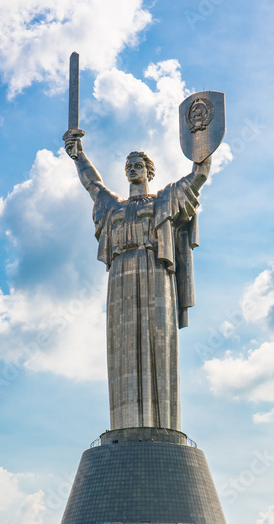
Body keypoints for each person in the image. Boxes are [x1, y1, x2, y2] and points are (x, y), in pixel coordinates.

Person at [64, 132, 209, 431]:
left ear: (149, 171)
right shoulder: (113, 206)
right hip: (119, 276)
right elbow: (93, 185)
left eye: (138, 165)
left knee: (158, 336)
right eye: (128, 165)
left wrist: (203, 141)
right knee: (123, 345)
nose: (132, 169)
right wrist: (79, 155)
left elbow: (199, 175)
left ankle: (161, 426)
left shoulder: (166, 198)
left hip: (156, 270)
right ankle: (125, 426)